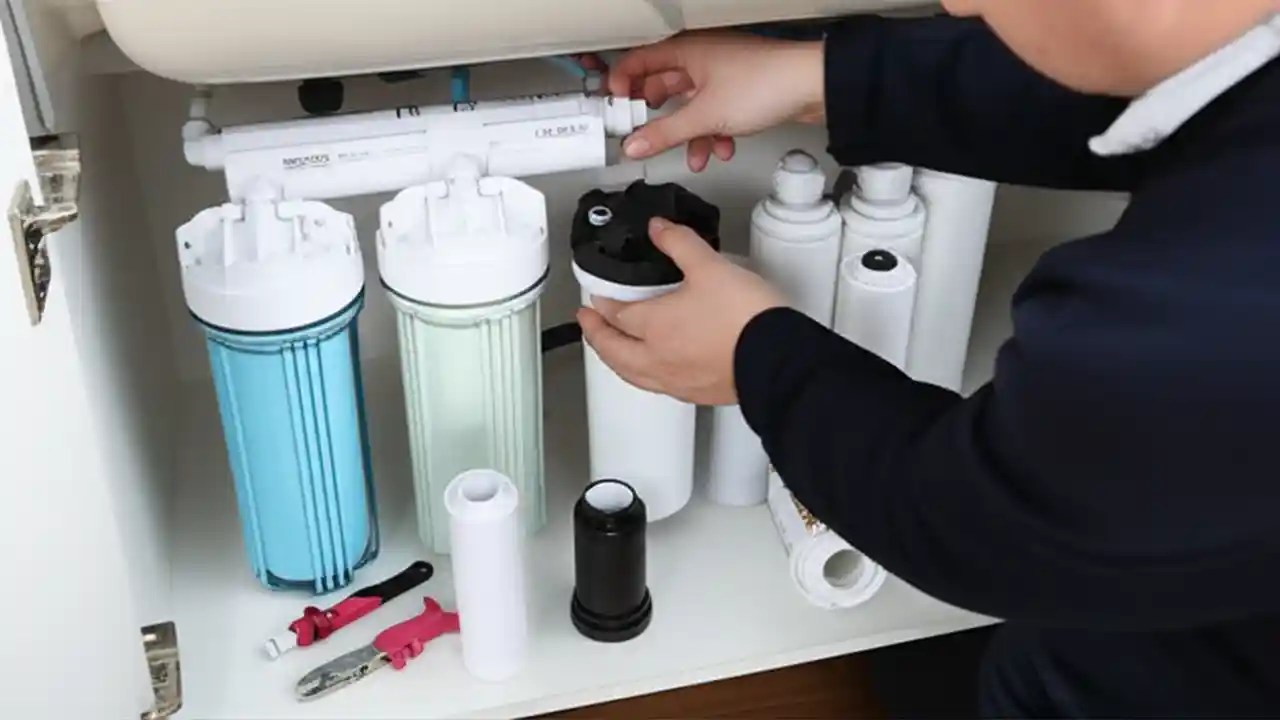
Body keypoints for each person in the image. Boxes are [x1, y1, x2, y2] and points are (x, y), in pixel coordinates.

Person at [575, 1, 1280, 716]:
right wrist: (829, 79)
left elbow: (990, 519)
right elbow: (1168, 78)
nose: (959, 4)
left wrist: (759, 362)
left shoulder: (1219, 298)